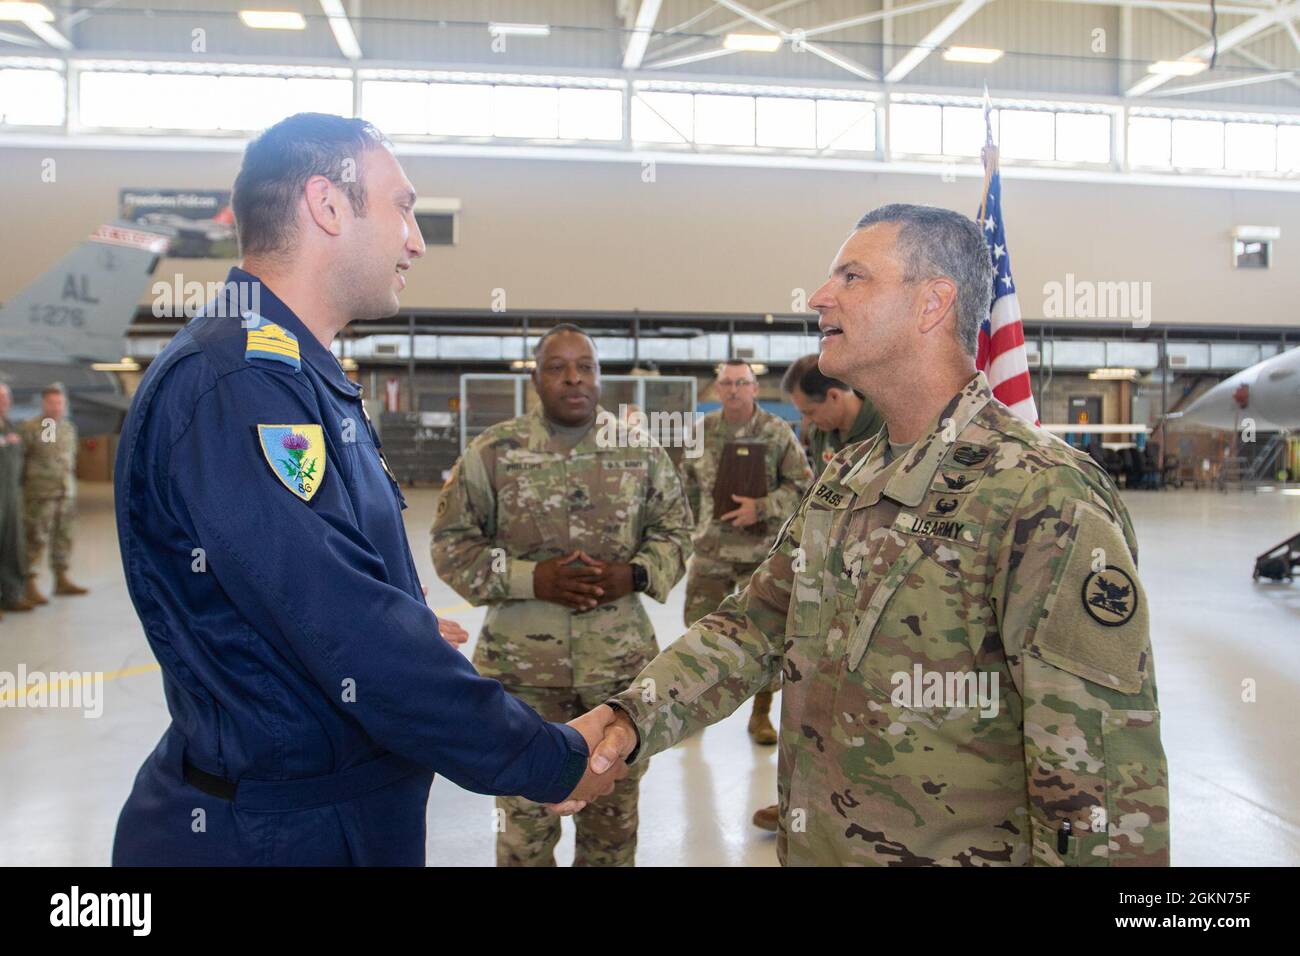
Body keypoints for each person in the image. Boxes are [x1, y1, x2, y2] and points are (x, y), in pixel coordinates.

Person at [579, 204, 1169, 866]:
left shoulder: (1042, 495)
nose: (818, 297)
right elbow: (752, 627)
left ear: (932, 303)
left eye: (852, 277)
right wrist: (629, 721)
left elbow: (1100, 792)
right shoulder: (846, 479)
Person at [111, 113, 626, 867]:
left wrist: (409, 623)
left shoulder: (293, 375)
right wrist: (540, 756)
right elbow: (342, 626)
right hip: (277, 834)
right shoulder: (243, 384)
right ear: (327, 206)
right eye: (403, 207)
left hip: (331, 809)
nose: (415, 240)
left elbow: (324, 592)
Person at [432, 324, 692, 866]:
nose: (574, 378)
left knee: (612, 832)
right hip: (523, 680)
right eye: (558, 366)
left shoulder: (640, 452)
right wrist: (534, 579)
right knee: (523, 834)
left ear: (599, 375)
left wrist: (635, 575)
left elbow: (676, 533)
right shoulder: (493, 452)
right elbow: (452, 547)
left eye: (586, 366)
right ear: (536, 376)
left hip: (617, 678)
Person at [680, 360, 812, 753]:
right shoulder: (701, 432)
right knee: (697, 632)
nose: (734, 390)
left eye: (742, 383)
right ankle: (690, 711)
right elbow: (684, 485)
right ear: (717, 390)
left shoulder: (776, 432)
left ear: (755, 388)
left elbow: (803, 484)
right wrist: (691, 527)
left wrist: (764, 506)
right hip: (710, 552)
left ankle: (761, 713)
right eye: (726, 383)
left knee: (766, 636)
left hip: (762, 552)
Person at [20, 383, 86, 603]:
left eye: (60, 403)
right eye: (51, 402)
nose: (56, 407)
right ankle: (29, 582)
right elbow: (22, 460)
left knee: (64, 537)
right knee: (36, 538)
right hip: (41, 493)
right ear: (43, 404)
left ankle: (61, 577)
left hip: (65, 492)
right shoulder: (32, 428)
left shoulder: (68, 428)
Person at [782, 353, 884, 472]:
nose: (806, 421)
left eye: (810, 412)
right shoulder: (819, 433)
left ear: (834, 396)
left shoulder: (885, 427)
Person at [0, 383, 34, 617]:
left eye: (5, 398)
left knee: (13, 547)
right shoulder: (38, 425)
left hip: (12, 496)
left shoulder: (12, 427)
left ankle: (12, 595)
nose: (3, 402)